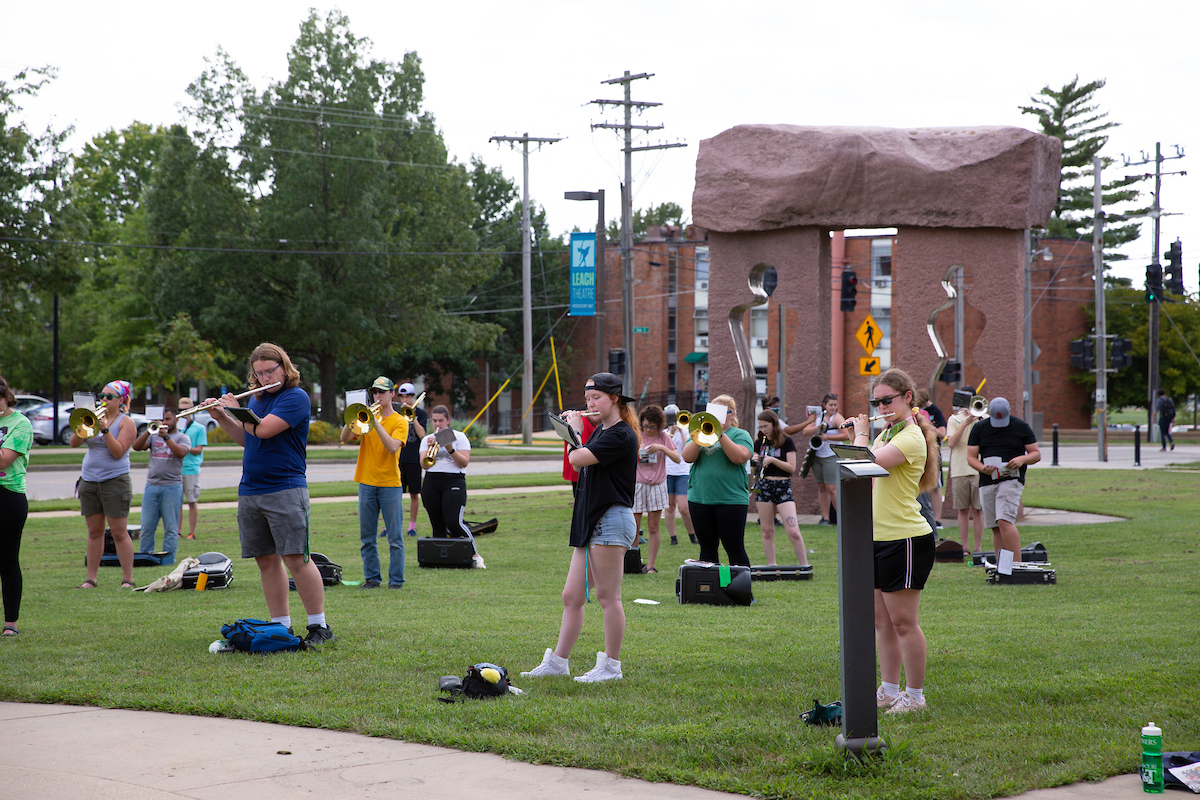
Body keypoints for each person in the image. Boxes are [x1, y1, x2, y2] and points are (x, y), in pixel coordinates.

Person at [212, 343, 334, 649]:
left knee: (296, 558)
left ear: (284, 367)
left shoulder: (295, 397)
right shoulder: (256, 399)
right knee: (265, 560)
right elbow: (247, 438)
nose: (266, 378)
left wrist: (234, 411)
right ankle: (281, 626)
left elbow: (264, 430)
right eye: (260, 373)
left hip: (286, 488)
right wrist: (221, 417)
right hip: (251, 488)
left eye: (271, 371)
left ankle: (319, 625)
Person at [521, 372, 638, 683]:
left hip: (611, 521)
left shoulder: (621, 434)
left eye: (596, 398)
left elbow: (578, 459)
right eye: (587, 399)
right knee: (571, 596)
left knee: (607, 597)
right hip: (592, 521)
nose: (590, 404)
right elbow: (580, 456)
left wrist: (572, 429)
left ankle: (611, 666)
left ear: (615, 398)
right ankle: (558, 662)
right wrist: (576, 431)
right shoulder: (601, 431)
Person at [847, 367, 940, 714]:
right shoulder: (888, 434)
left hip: (906, 539)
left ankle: (915, 696)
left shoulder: (910, 437)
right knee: (881, 621)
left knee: (904, 622)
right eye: (877, 401)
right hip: (878, 537)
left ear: (907, 398)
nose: (882, 407)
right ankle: (887, 690)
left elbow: (862, 463)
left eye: (888, 401)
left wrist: (859, 434)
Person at [340, 377, 407, 589]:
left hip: (390, 484)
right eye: (375, 392)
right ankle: (372, 579)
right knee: (367, 538)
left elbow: (391, 447)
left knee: (395, 538)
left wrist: (375, 421)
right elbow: (344, 436)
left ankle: (395, 581)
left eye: (382, 392)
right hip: (366, 482)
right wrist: (355, 415)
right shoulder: (366, 419)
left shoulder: (400, 421)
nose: (378, 395)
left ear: (391, 394)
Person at [72, 380, 138, 589]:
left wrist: (106, 430)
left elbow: (118, 452)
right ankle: (91, 579)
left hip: (115, 480)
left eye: (109, 397)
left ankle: (127, 578)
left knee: (119, 532)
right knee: (94, 532)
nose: (104, 400)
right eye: (102, 396)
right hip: (89, 480)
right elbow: (74, 443)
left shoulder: (126, 422)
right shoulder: (93, 418)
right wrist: (85, 422)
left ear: (121, 400)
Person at [681, 394, 754, 567]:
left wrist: (719, 433)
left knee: (734, 547)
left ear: (732, 414)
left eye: (722, 412)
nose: (717, 416)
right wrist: (701, 436)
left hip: (731, 499)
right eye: (713, 412)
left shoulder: (740, 434)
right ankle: (711, 592)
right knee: (707, 550)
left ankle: (742, 592)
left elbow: (740, 457)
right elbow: (687, 457)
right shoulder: (698, 433)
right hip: (700, 498)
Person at [966, 397, 1040, 564]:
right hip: (987, 480)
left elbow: (1035, 454)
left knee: (1004, 521)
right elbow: (971, 457)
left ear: (1010, 412)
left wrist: (1021, 460)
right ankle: (1003, 567)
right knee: (995, 526)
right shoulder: (979, 428)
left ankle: (1018, 566)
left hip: (1011, 479)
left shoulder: (1020, 426)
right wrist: (982, 467)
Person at [419, 405, 483, 568]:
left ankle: (475, 555)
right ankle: (442, 559)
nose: (438, 424)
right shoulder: (427, 439)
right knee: (437, 523)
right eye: (434, 421)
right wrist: (429, 448)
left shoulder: (459, 437)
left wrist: (450, 448)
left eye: (441, 420)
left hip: (454, 480)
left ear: (448, 420)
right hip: (431, 481)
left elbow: (464, 462)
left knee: (454, 522)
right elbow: (424, 465)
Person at [751, 410, 810, 569]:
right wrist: (754, 461)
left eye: (766, 426)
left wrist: (772, 460)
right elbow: (754, 468)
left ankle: (804, 565)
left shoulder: (787, 441)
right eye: (760, 426)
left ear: (774, 424)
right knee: (767, 531)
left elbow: (791, 467)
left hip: (783, 487)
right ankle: (772, 566)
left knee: (793, 531)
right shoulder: (759, 443)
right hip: (764, 487)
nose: (763, 429)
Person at [131, 408, 190, 565]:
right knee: (147, 526)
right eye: (162, 420)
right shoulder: (154, 436)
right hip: (151, 486)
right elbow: (136, 447)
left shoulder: (182, 437)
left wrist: (167, 438)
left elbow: (181, 453)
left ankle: (167, 558)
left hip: (172, 487)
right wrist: (149, 431)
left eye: (168, 419)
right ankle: (145, 556)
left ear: (176, 420)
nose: (164, 423)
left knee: (170, 527)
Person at [0, 376, 32, 636]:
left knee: (8, 560)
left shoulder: (20, 424)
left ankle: (11, 623)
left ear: (6, 396)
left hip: (8, 496)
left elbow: (3, 460)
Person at [632, 404, 679, 573]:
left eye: (652, 427)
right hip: (638, 484)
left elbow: (677, 458)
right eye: (645, 425)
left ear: (659, 426)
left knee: (653, 527)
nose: (649, 430)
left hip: (657, 485)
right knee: (634, 527)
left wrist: (662, 448)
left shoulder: (663, 437)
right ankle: (634, 562)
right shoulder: (636, 435)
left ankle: (651, 565)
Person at [787, 393, 846, 525]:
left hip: (832, 455)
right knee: (821, 487)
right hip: (817, 455)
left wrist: (827, 437)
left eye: (835, 405)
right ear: (824, 405)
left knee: (832, 488)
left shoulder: (837, 418)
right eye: (830, 405)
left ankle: (841, 519)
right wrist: (820, 426)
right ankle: (825, 518)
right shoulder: (818, 417)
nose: (833, 407)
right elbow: (805, 432)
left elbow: (846, 435)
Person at [945, 387, 984, 555]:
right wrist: (965, 423)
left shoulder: (984, 418)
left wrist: (978, 417)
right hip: (959, 469)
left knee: (977, 510)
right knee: (962, 510)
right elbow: (951, 443)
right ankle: (965, 547)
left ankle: (978, 547)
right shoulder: (954, 419)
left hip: (978, 470)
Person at [396, 383, 428, 537]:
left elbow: (422, 436)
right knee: (394, 494)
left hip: (414, 459)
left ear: (413, 396)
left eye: (408, 396)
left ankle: (411, 527)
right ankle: (391, 526)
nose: (405, 399)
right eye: (402, 396)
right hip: (397, 459)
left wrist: (412, 416)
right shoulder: (396, 413)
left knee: (414, 494)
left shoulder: (421, 414)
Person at [662, 404, 696, 546]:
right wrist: (670, 431)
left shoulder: (687, 431)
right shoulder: (664, 432)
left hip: (682, 471)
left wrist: (681, 431)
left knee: (684, 508)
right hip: (667, 471)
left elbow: (686, 447)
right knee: (669, 507)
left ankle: (692, 535)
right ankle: (673, 538)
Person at [176, 397, 207, 540]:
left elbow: (199, 450)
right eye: (180, 410)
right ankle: (177, 532)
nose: (183, 412)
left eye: (186, 410)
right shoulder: (176, 427)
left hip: (191, 469)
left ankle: (191, 532)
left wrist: (184, 448)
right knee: (177, 502)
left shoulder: (199, 428)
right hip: (176, 468)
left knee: (192, 501)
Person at [916, 390, 948, 528]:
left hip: (933, 452)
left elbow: (942, 433)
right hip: (920, 452)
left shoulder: (935, 411)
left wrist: (928, 426)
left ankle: (937, 519)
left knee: (935, 486)